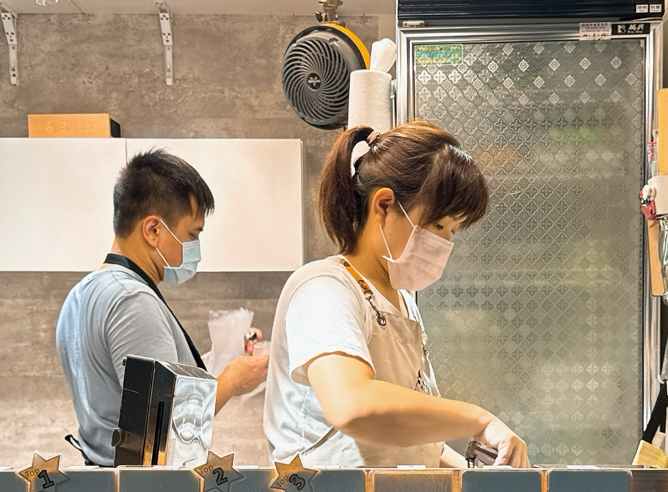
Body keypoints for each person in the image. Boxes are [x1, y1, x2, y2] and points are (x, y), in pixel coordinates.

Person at [264, 120, 529, 468]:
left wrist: (475, 475)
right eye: (438, 226)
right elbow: (353, 405)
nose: (445, 243)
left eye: (453, 230)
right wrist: (479, 420)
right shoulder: (323, 288)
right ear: (385, 205)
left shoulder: (402, 303)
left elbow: (416, 444)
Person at [57, 149, 268, 466]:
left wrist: (226, 361)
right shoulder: (130, 300)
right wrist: (231, 382)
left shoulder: (84, 293)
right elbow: (160, 429)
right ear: (153, 229)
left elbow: (133, 392)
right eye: (191, 235)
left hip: (114, 484)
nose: (194, 247)